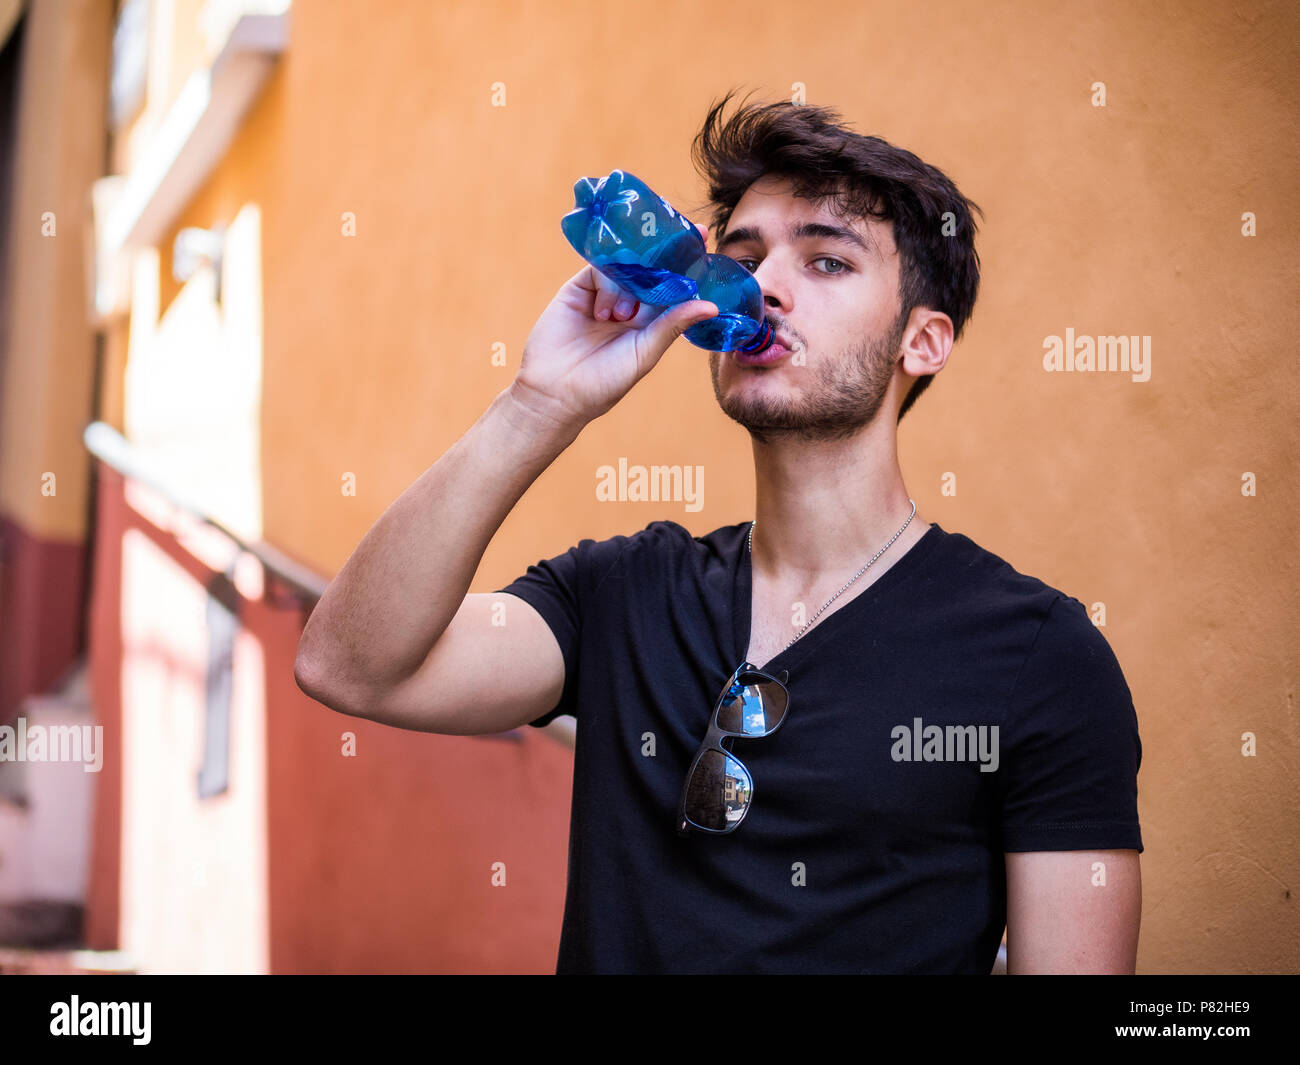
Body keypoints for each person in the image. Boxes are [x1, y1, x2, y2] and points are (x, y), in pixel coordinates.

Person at [295, 90, 1143, 975]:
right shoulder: (622, 590)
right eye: (741, 257)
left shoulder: (1038, 656)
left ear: (923, 342)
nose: (762, 286)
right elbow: (347, 665)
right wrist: (537, 405)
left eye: (825, 263)